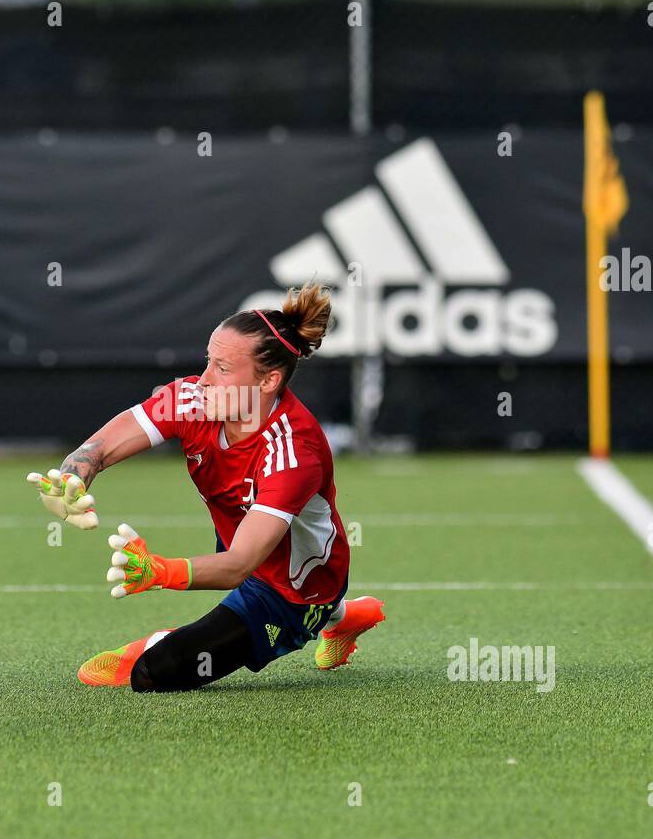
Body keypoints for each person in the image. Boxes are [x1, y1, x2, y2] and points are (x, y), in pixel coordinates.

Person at [25, 280, 384, 692]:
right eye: (208, 361)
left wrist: (161, 571)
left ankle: (326, 612)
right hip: (243, 540)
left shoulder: (293, 453)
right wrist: (72, 475)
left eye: (224, 369)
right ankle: (346, 616)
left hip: (291, 590)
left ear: (268, 381)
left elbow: (239, 565)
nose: (204, 379)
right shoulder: (193, 400)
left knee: (154, 673)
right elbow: (101, 447)